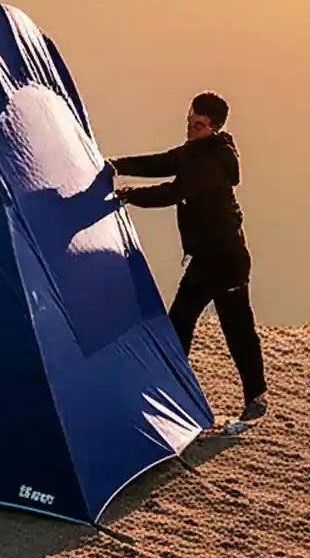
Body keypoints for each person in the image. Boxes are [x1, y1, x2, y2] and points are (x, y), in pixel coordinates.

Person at [107, 91, 268, 425]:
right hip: (207, 259)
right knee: (180, 319)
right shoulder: (198, 151)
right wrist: (117, 165)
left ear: (214, 128)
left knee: (236, 328)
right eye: (190, 122)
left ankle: (256, 397)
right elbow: (164, 161)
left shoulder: (212, 162)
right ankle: (170, 387)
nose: (191, 130)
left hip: (226, 261)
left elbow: (174, 191)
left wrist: (128, 195)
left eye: (199, 126)